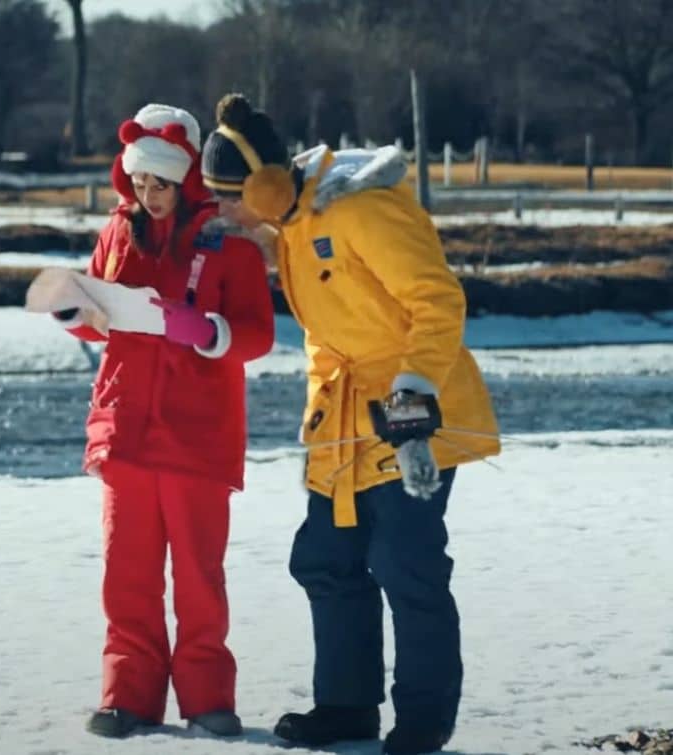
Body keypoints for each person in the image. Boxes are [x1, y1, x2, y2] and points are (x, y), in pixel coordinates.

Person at [200, 93, 500, 755]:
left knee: (404, 561)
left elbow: (438, 299)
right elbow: (326, 337)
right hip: (342, 422)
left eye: (225, 198)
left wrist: (412, 397)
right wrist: (318, 418)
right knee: (327, 559)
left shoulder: (361, 211)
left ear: (265, 186)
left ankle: (424, 719)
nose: (220, 213)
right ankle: (346, 704)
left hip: (411, 412)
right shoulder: (293, 228)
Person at [53, 103, 275, 739]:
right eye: (138, 183)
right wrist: (76, 315)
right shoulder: (117, 232)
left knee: (200, 580)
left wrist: (209, 331)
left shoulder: (229, 240)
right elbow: (102, 309)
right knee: (127, 576)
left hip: (197, 437)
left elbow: (258, 335)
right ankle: (129, 695)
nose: (147, 195)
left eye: (160, 184)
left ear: (186, 181)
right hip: (124, 431)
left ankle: (208, 698)